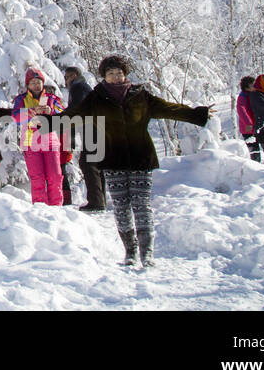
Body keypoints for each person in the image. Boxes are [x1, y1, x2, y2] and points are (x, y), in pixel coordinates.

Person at [63, 54, 213, 269]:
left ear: (125, 74)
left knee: (141, 205)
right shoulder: (96, 98)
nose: (116, 77)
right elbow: (73, 114)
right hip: (113, 160)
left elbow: (168, 108)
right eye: (111, 73)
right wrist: (46, 122)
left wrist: (198, 114)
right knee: (121, 207)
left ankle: (147, 252)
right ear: (104, 76)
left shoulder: (140, 96)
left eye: (119, 73)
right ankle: (131, 251)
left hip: (140, 158)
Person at [11, 67, 66, 205]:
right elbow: (15, 117)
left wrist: (51, 110)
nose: (36, 85)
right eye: (33, 83)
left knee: (55, 176)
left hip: (50, 141)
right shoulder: (21, 99)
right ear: (28, 85)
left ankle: (56, 207)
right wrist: (30, 112)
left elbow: (64, 114)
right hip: (31, 142)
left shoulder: (51, 98)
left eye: (38, 82)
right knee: (37, 178)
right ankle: (40, 207)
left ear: (43, 83)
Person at [65, 65, 106, 211]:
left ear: (75, 76)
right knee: (94, 163)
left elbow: (76, 110)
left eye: (69, 76)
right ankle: (100, 200)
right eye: (66, 77)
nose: (67, 80)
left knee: (88, 163)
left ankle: (96, 202)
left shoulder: (78, 87)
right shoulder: (82, 87)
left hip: (92, 127)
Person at [45, 81, 73, 204]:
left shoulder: (55, 104)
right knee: (58, 172)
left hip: (60, 143)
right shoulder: (57, 104)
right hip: (57, 143)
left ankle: (64, 199)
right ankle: (59, 197)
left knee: (60, 172)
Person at [236, 76, 261, 162]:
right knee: (254, 150)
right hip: (248, 128)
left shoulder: (254, 94)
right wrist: (248, 123)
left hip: (256, 126)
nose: (255, 86)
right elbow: (241, 111)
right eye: (253, 85)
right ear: (246, 87)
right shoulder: (242, 96)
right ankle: (254, 165)